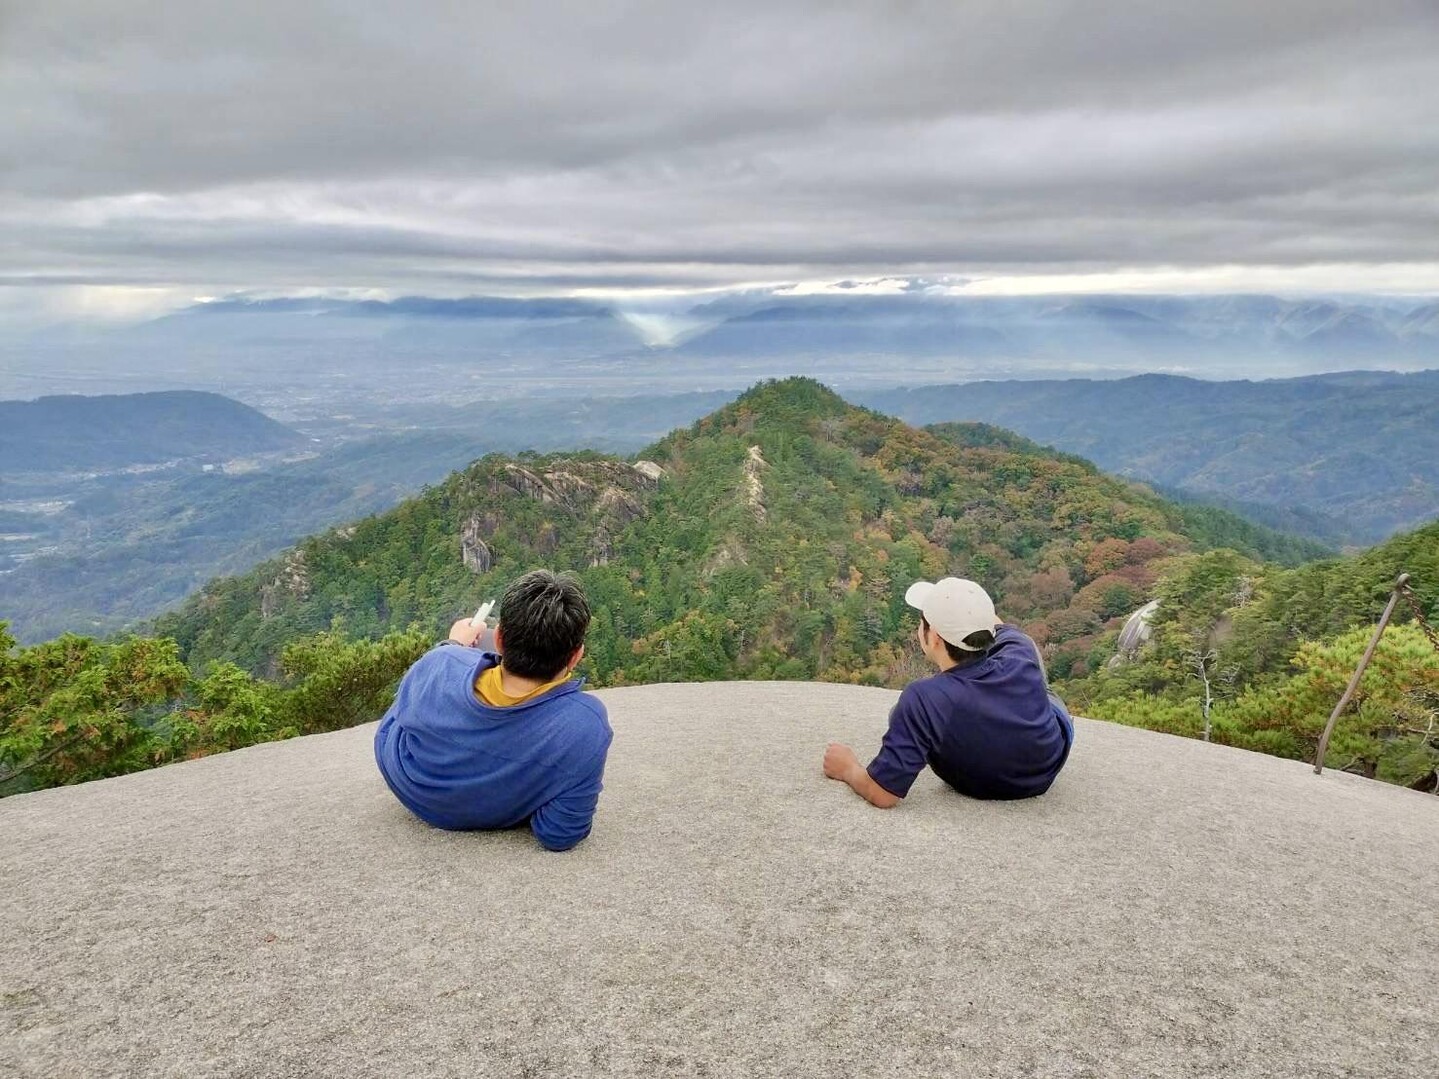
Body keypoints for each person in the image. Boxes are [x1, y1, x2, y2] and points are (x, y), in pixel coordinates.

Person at [374, 569, 613, 851]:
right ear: (575, 656)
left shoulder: (441, 662)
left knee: (423, 683)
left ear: (498, 638)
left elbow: (405, 712)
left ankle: (466, 649)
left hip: (409, 784)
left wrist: (453, 645)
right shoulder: (584, 724)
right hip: (485, 806)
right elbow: (559, 834)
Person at [822, 577, 1072, 808]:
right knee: (1043, 685)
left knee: (899, 714)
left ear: (935, 638)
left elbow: (883, 794)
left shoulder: (924, 699)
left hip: (977, 782)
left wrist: (847, 768)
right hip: (1045, 770)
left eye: (923, 623)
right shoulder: (1019, 650)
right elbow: (998, 625)